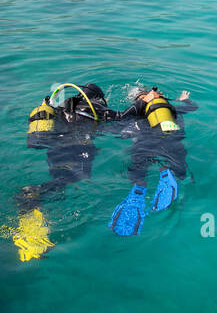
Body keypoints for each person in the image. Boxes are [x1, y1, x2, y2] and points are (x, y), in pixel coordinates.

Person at [13, 81, 119, 261]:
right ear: (98, 97)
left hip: (55, 149)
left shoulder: (62, 107)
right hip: (78, 148)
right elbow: (122, 120)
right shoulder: (97, 107)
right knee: (71, 178)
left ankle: (36, 204)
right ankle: (35, 193)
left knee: (60, 178)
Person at [108, 86, 198, 237]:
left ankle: (138, 187)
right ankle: (166, 171)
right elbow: (192, 107)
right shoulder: (168, 108)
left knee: (138, 164)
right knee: (172, 158)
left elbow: (120, 131)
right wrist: (185, 100)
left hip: (146, 141)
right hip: (172, 137)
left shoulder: (137, 113)